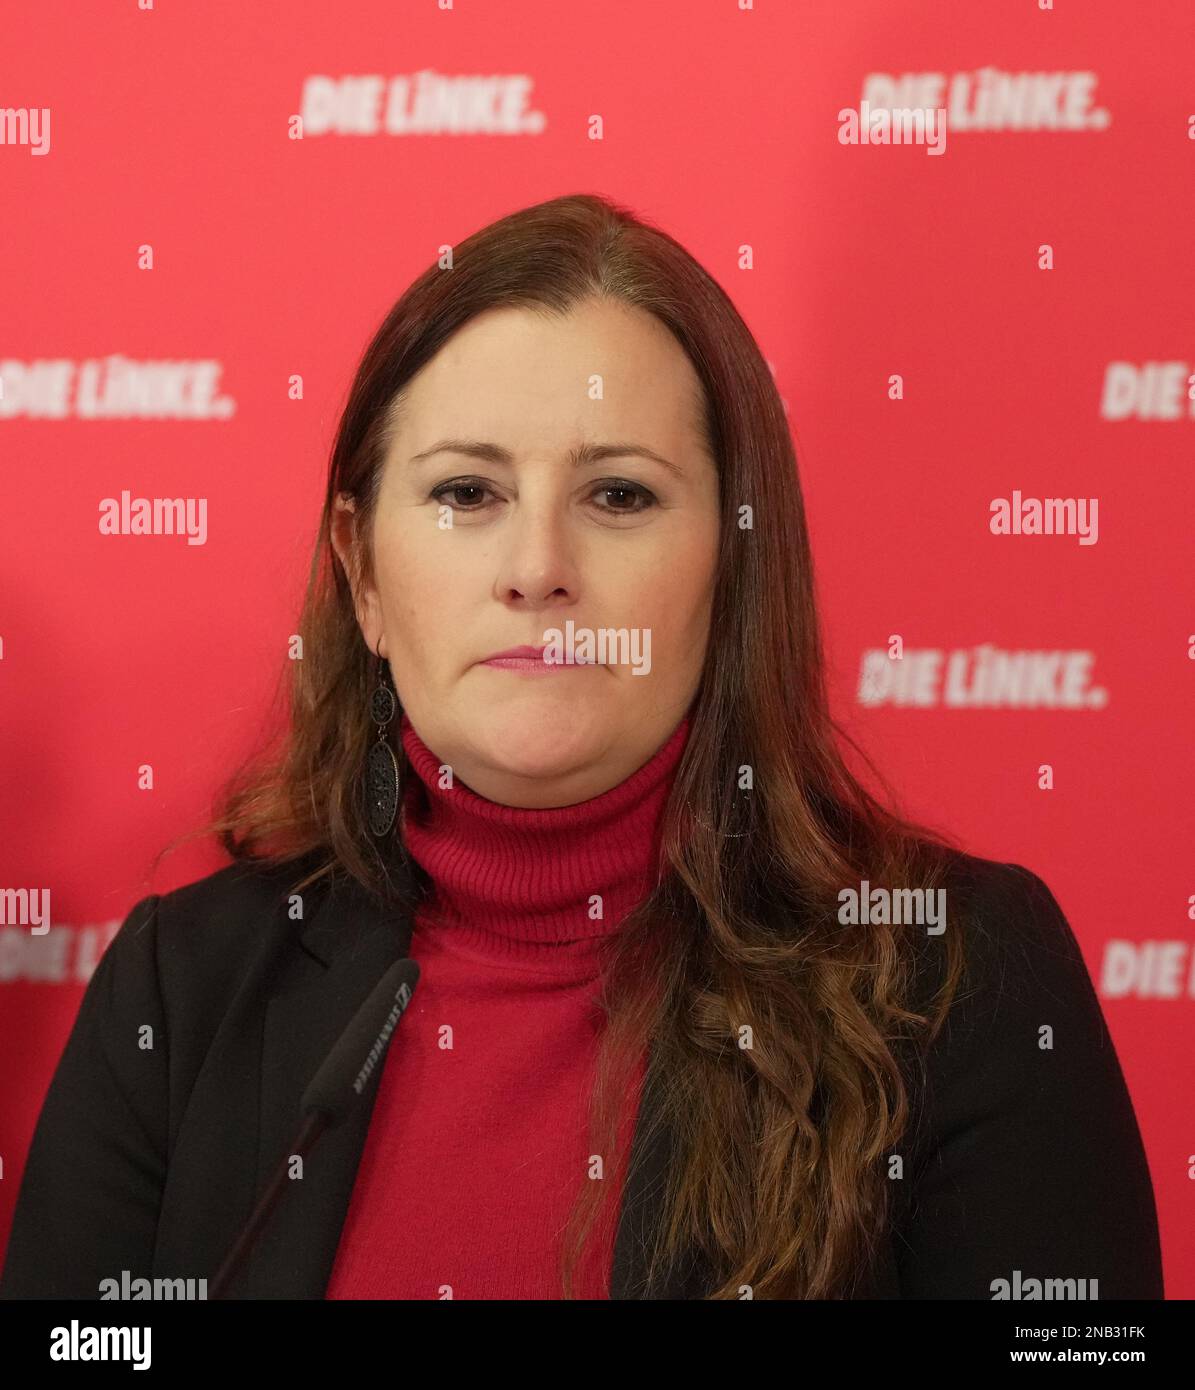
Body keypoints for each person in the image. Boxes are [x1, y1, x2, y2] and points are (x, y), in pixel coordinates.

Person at [0, 194, 1163, 1300]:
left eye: (617, 494)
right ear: (361, 573)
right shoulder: (183, 991)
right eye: (466, 491)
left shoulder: (955, 981)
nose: (537, 566)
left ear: (734, 558)